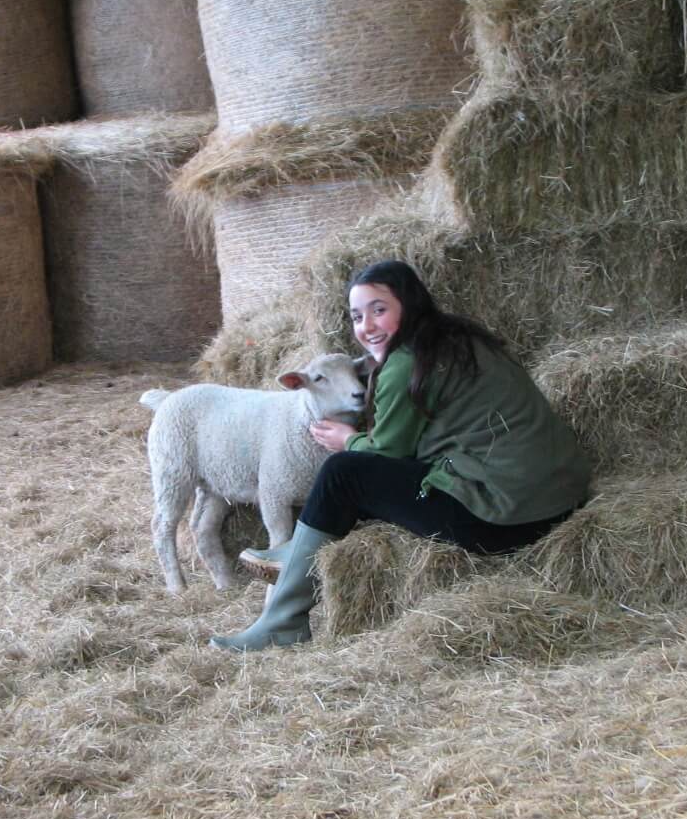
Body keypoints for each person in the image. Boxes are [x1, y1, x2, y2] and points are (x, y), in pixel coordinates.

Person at [210, 259, 592, 652]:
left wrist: (349, 440)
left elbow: (388, 455)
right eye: (357, 316)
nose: (367, 326)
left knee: (345, 473)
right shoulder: (463, 340)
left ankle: (283, 621)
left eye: (379, 310)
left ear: (409, 305)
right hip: (561, 499)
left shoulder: (406, 363)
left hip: (504, 518)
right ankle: (296, 554)